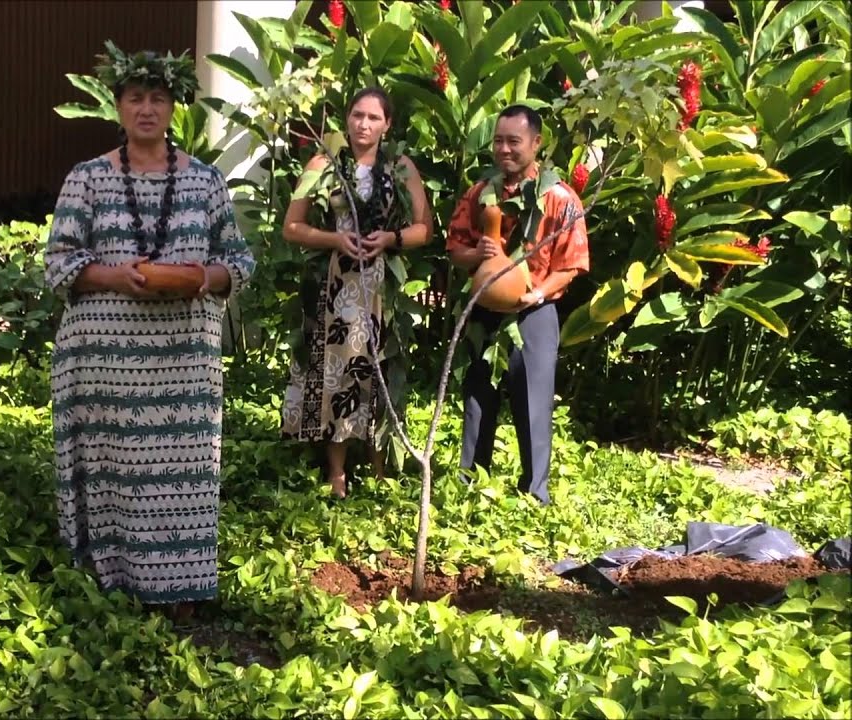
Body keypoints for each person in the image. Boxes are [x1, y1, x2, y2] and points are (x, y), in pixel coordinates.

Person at [43, 42, 255, 620]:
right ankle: (112, 581)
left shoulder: (206, 182)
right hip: (103, 361)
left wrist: (200, 277)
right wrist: (117, 275)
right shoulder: (86, 180)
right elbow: (59, 262)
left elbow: (238, 261)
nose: (146, 109)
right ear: (117, 107)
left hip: (183, 359)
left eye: (157, 98)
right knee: (116, 470)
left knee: (180, 472)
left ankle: (179, 587)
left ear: (173, 107)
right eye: (135, 98)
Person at [279, 88, 434, 499]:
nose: (363, 124)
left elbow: (424, 228)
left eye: (373, 118)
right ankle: (336, 472)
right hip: (334, 283)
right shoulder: (323, 164)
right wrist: (333, 238)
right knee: (335, 370)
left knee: (377, 367)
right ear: (346, 119)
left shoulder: (400, 167)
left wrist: (391, 238)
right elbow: (291, 227)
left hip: (380, 285)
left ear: (387, 125)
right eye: (357, 115)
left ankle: (379, 465)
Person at [445, 104, 590, 506]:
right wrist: (477, 254)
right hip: (485, 308)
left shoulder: (559, 197)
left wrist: (539, 293)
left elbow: (573, 264)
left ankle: (534, 495)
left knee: (533, 402)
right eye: (498, 141)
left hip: (534, 309)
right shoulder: (479, 193)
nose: (504, 150)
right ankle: (471, 484)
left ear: (536, 143)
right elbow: (454, 248)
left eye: (514, 142)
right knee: (477, 399)